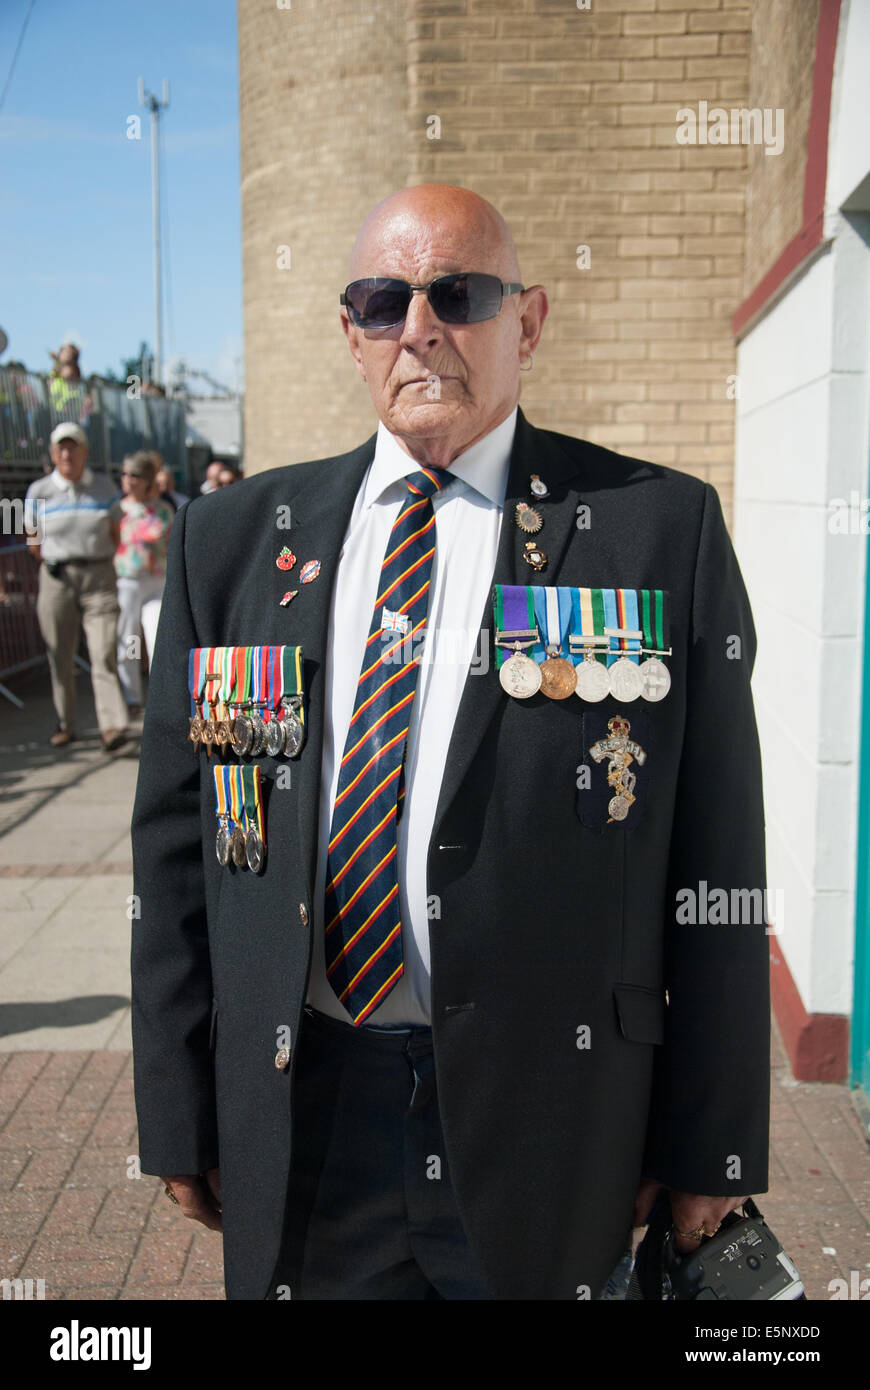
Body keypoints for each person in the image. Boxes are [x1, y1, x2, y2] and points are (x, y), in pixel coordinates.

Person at [130, 184, 770, 1301]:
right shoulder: (229, 546)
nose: (418, 326)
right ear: (352, 333)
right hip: (308, 1109)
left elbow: (716, 856)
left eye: (457, 294)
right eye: (384, 301)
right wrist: (176, 1108)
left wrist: (710, 1144)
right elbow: (181, 848)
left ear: (527, 323)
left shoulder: (654, 530)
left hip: (554, 1125)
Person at [25, 422, 128, 750]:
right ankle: (65, 723)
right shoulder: (38, 491)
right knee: (60, 654)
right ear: (53, 453)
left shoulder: (104, 486)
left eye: (73, 447)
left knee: (103, 652)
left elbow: (116, 533)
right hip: (57, 577)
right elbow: (33, 542)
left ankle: (112, 726)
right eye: (61, 448)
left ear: (84, 452)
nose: (67, 454)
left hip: (98, 576)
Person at [113, 450, 175, 717]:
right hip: (128, 582)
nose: (128, 480)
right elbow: (111, 541)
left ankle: (160, 697)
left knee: (154, 637)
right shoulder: (118, 510)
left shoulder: (162, 510)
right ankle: (131, 697)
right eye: (125, 474)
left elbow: (171, 543)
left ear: (147, 479)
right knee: (129, 642)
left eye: (135, 475)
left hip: (156, 582)